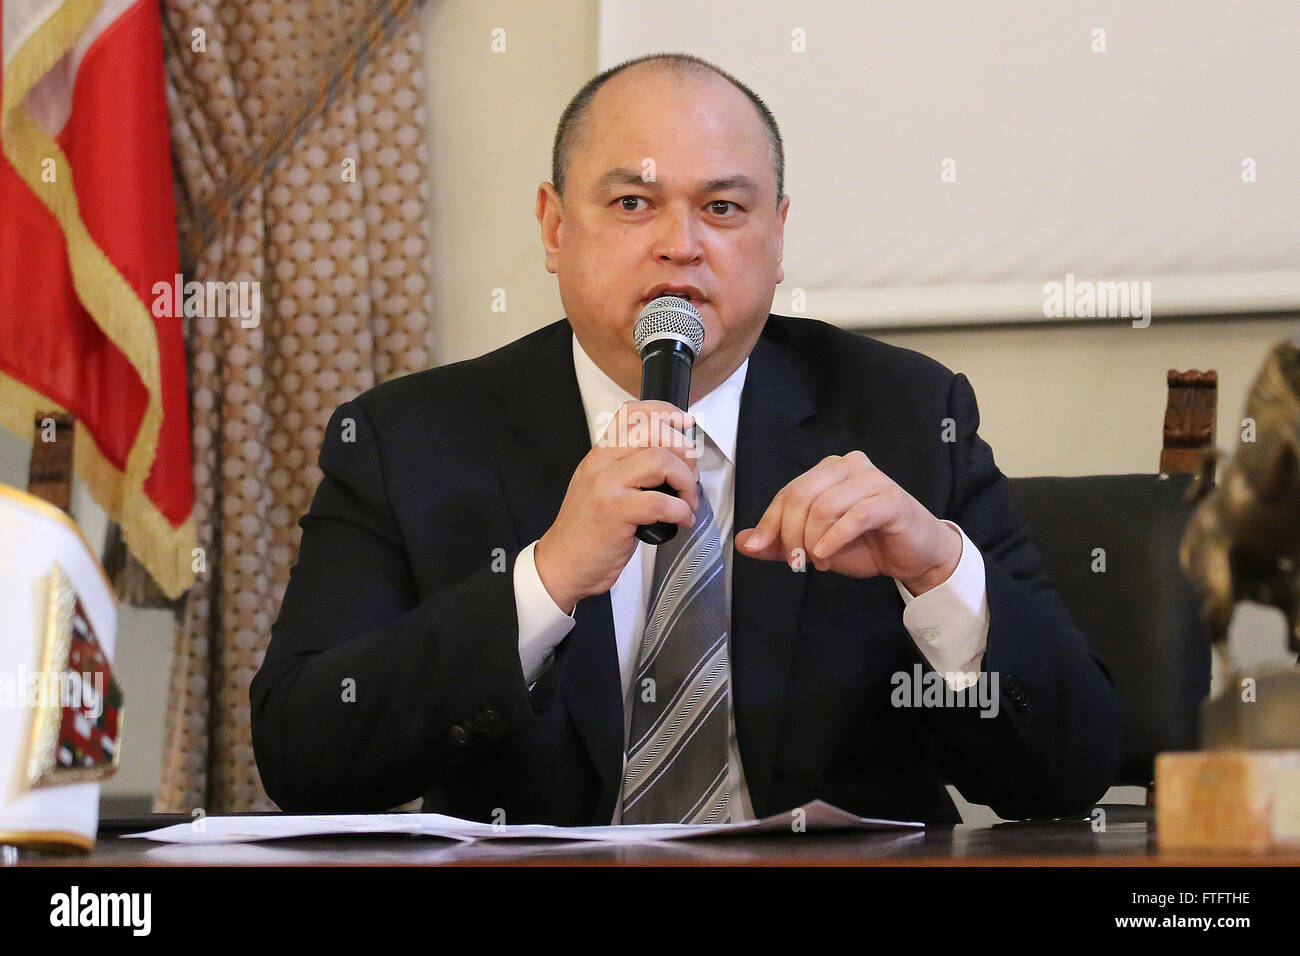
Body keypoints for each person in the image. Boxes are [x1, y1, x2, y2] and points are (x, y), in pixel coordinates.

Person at [250, 52, 1123, 826]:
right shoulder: (410, 440)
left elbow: (1068, 774)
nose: (682, 245)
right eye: (634, 202)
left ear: (777, 236)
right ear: (556, 228)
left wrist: (936, 570)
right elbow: (305, 757)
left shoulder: (906, 414)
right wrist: (543, 584)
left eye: (723, 208)